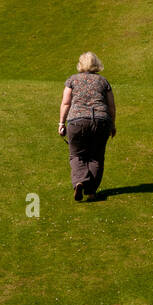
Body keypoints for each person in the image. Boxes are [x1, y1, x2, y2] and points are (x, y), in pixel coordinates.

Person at [59, 52, 116, 201]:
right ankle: (91, 192)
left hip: (76, 121)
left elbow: (66, 103)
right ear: (96, 64)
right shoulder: (103, 81)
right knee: (96, 157)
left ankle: (80, 181)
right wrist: (112, 125)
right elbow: (111, 106)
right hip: (101, 120)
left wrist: (61, 123)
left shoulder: (72, 80)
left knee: (77, 155)